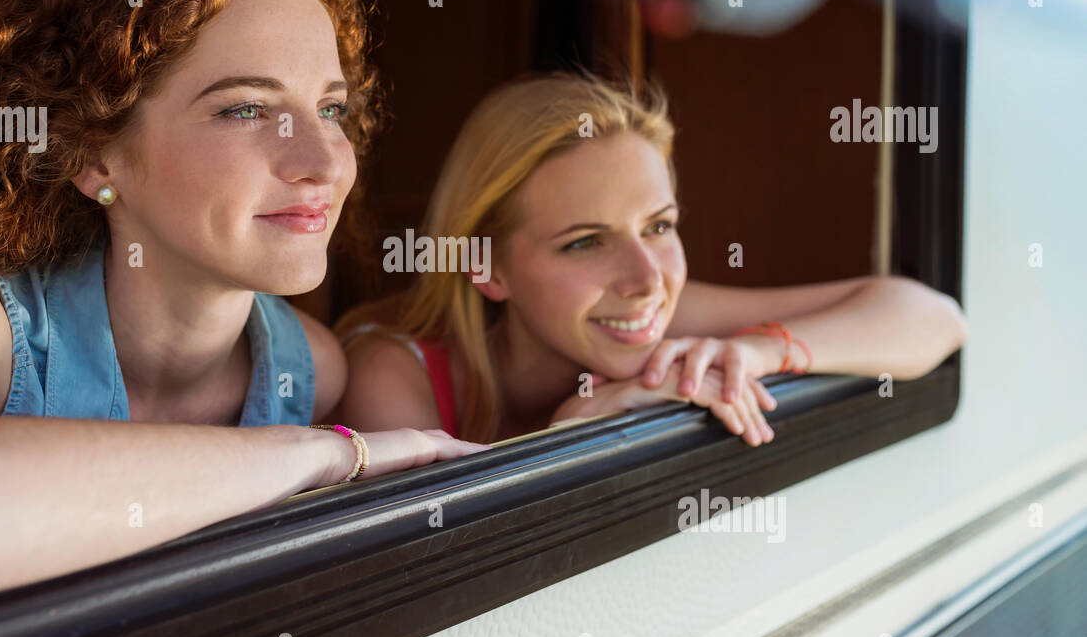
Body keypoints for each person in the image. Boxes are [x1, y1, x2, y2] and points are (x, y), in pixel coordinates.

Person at [0, 0, 484, 612]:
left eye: (331, 110)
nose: (322, 163)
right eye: (245, 110)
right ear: (92, 152)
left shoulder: (309, 368)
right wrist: (325, 452)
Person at [334, 71, 969, 445]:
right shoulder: (388, 374)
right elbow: (454, 570)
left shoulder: (663, 312)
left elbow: (934, 317)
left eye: (659, 226)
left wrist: (756, 353)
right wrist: (578, 425)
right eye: (585, 241)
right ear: (486, 268)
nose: (647, 281)